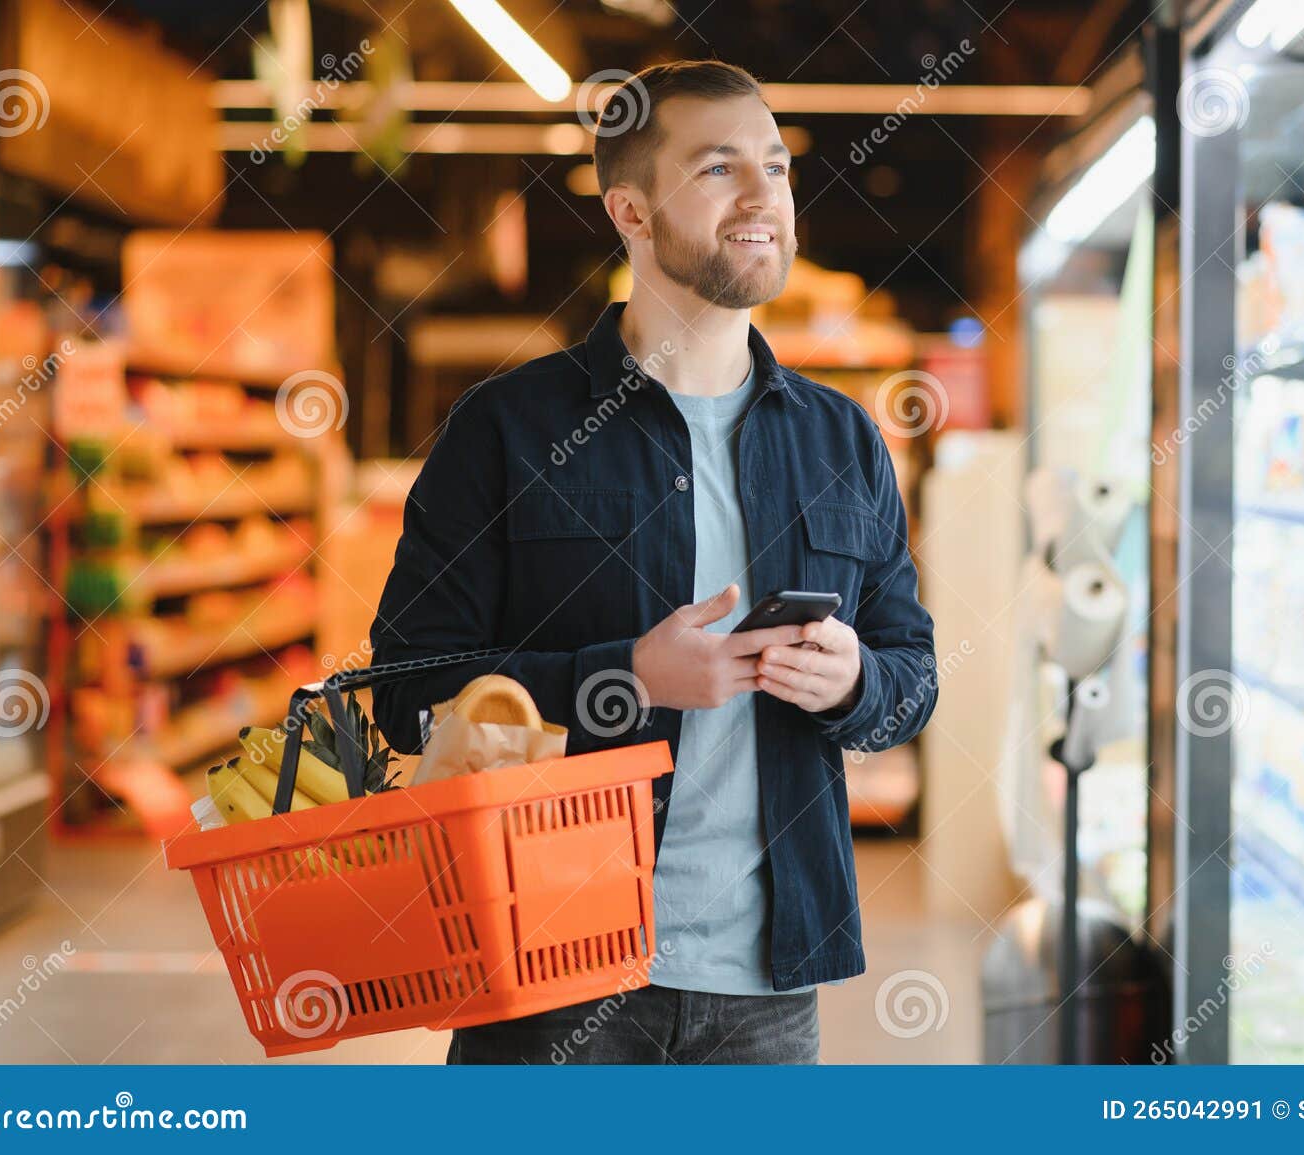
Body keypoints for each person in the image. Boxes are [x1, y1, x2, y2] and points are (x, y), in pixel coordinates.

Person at [368, 59, 936, 1065]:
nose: (765, 197)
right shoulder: (506, 431)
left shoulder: (842, 441)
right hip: (546, 969)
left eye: (777, 166)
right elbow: (408, 691)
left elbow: (911, 680)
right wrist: (622, 681)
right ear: (628, 208)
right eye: (720, 169)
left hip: (770, 987)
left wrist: (855, 682)